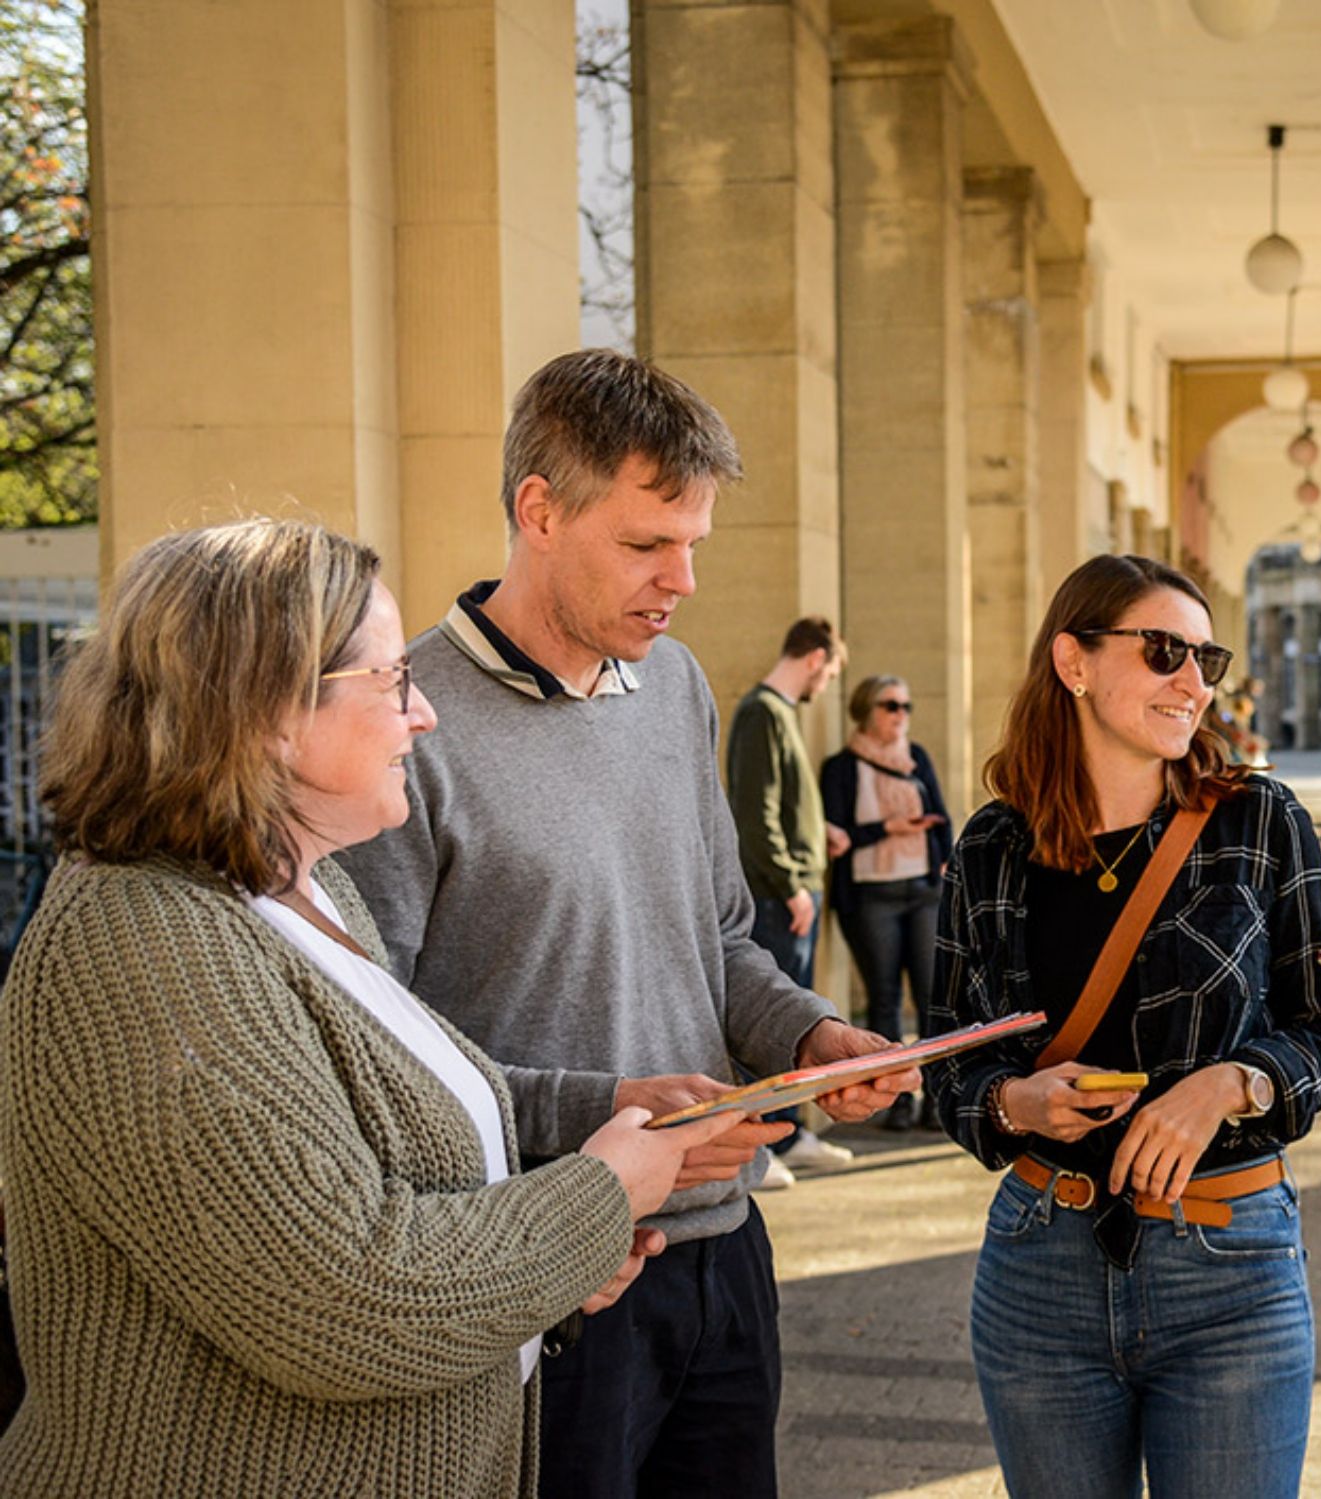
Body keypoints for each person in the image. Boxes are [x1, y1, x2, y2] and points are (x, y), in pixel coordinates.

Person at [0, 519, 743, 1495]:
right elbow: (342, 1299)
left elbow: (381, 1185)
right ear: (267, 706)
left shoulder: (300, 887)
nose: (425, 713)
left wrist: (547, 1274)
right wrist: (596, 1195)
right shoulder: (141, 941)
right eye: (394, 679)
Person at [338, 350, 915, 1498]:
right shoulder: (402, 722)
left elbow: (717, 942)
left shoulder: (678, 686)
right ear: (538, 511)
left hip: (725, 1254)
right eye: (648, 544)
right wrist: (599, 1112)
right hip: (555, 1277)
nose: (682, 579)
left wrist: (807, 1039)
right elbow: (373, 1052)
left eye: (693, 542)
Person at [924, 553, 1321, 1497]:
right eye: (1165, 651)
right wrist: (1015, 1102)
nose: (1193, 683)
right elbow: (948, 1061)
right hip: (1040, 1264)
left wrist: (1230, 1083)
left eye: (1210, 659)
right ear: (1073, 662)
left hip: (1230, 1265)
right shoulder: (992, 847)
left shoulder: (1259, 820)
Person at [727, 616, 855, 1181]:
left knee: (798, 1014)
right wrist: (789, 884)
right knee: (775, 1020)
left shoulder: (779, 715)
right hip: (782, 895)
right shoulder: (762, 713)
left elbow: (781, 806)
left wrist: (818, 832)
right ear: (813, 659)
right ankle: (768, 1143)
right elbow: (754, 816)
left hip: (799, 886)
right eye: (826, 673)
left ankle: (791, 1132)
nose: (823, 685)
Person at [821, 673, 952, 1129]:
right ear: (865, 710)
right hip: (872, 894)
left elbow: (941, 819)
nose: (900, 715)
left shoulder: (916, 757)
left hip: (922, 891)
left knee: (932, 997)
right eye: (890, 705)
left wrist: (945, 863)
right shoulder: (841, 767)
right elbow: (836, 833)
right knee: (884, 1001)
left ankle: (937, 1099)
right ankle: (895, 1101)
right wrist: (887, 830)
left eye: (905, 706)